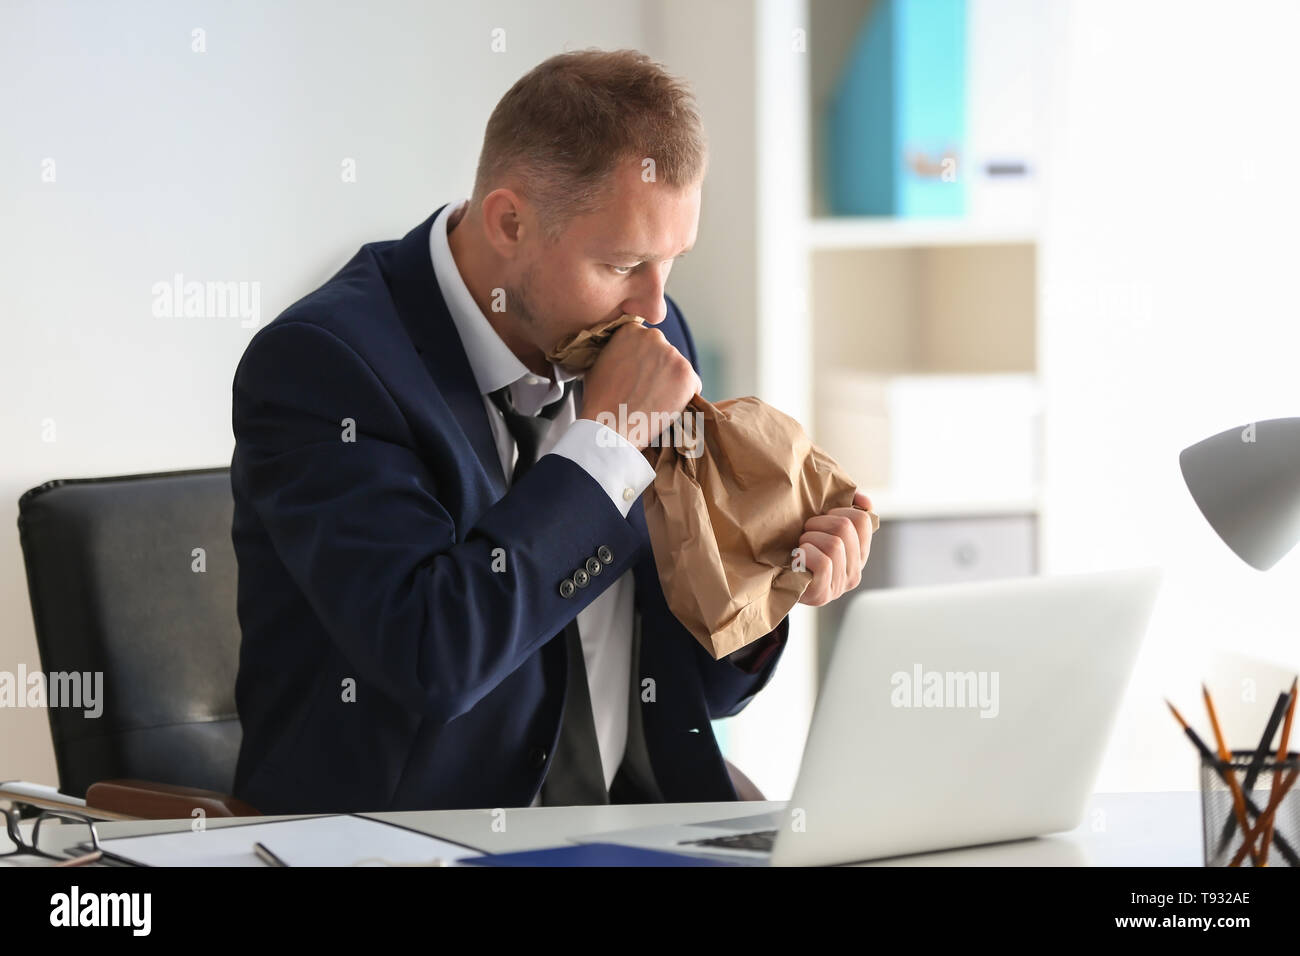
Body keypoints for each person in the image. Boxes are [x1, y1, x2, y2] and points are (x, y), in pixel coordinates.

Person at [228, 48, 873, 814]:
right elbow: (435, 657)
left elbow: (687, 687)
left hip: (638, 825)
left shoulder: (651, 340)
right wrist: (606, 446)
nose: (655, 309)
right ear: (509, 221)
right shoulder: (325, 368)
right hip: (412, 845)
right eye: (625, 263)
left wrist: (770, 587)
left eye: (671, 262)